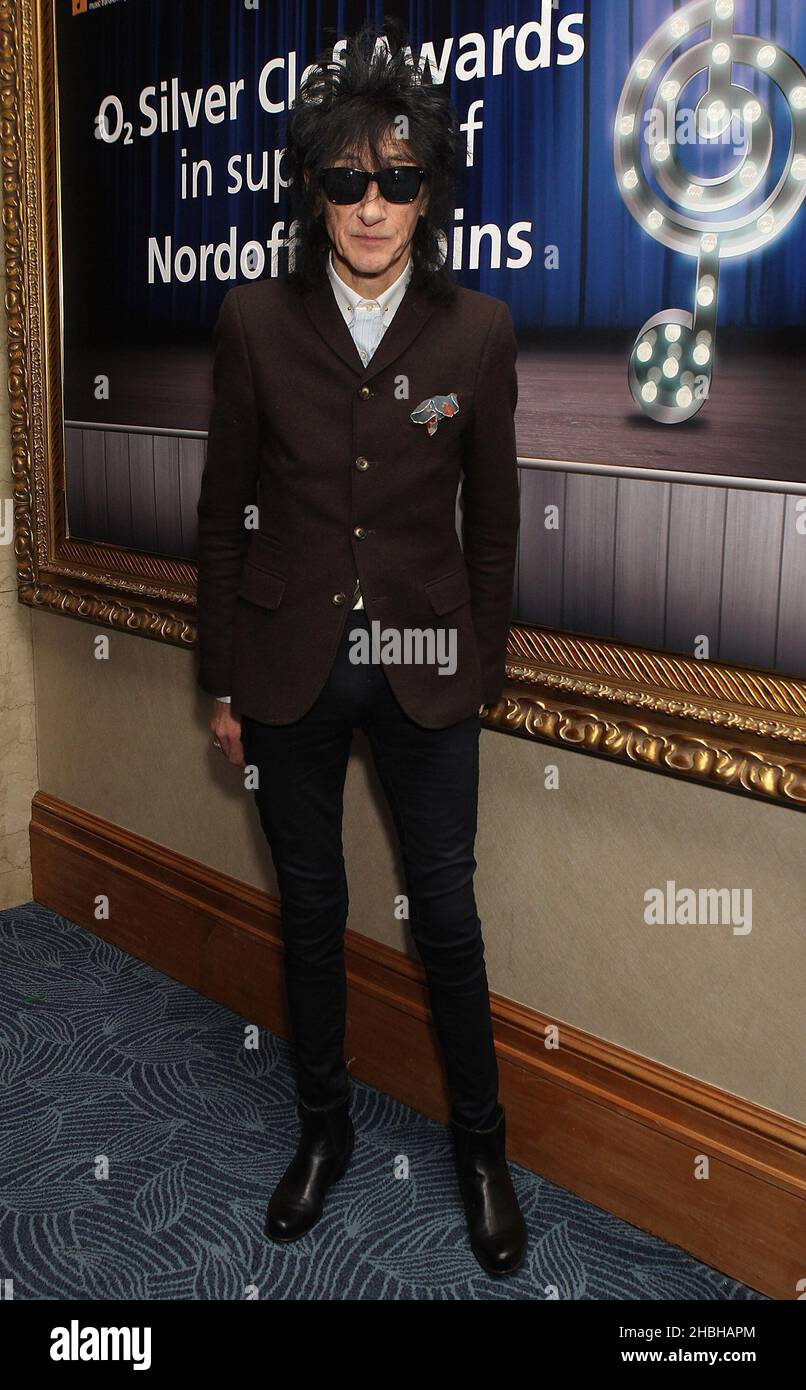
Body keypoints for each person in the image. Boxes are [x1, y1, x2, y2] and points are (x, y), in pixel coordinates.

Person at [196, 22, 525, 1276]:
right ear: (312, 190)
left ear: (427, 193)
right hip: (285, 671)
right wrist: (223, 678)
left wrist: (479, 665)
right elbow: (223, 508)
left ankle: (481, 1149)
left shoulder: (477, 331)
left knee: (446, 916)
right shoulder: (252, 322)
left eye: (395, 179)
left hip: (429, 671)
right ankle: (323, 1133)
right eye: (345, 178)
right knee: (314, 912)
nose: (371, 204)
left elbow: (491, 523)